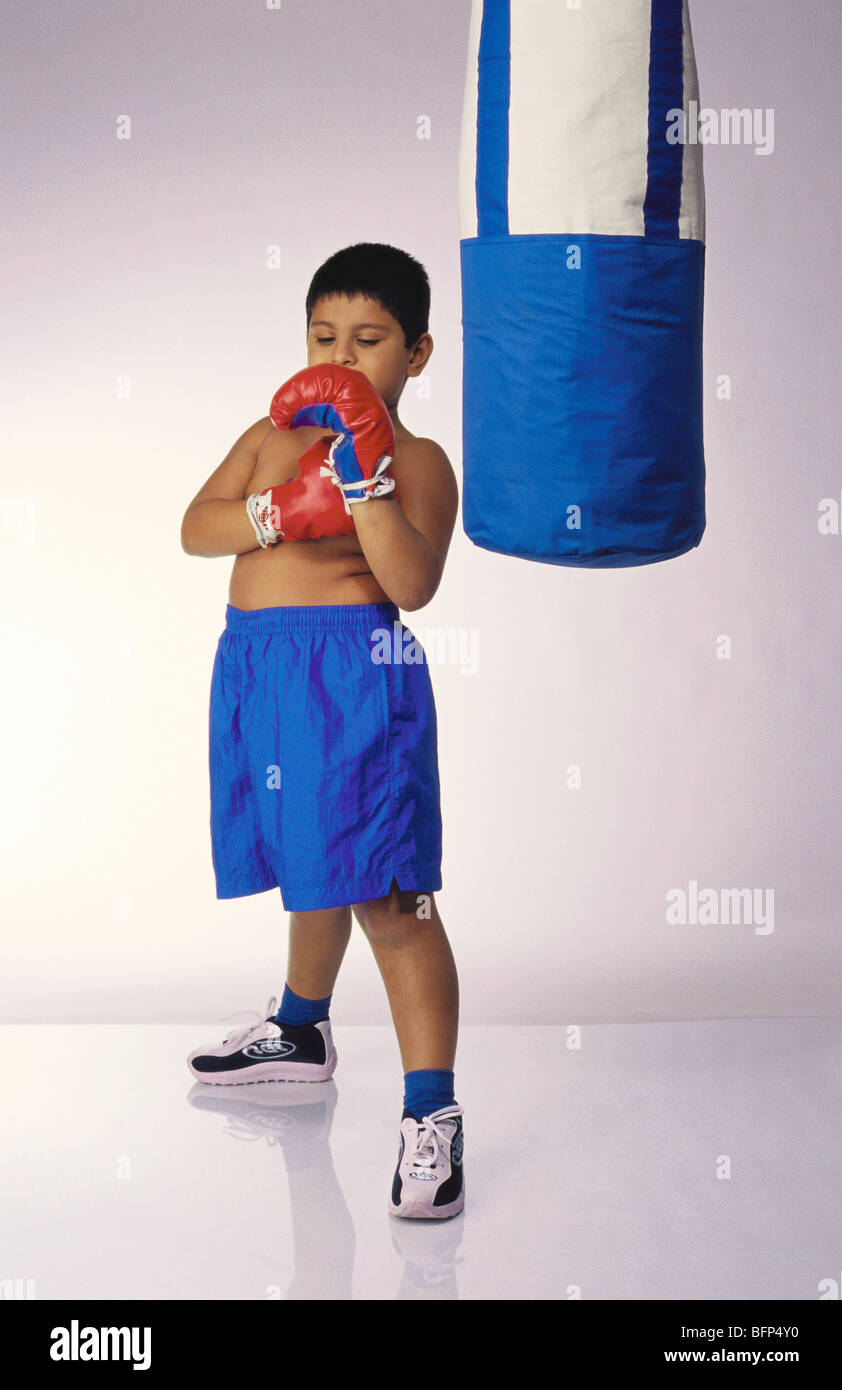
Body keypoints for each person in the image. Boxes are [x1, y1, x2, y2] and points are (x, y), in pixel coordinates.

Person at [180, 243, 464, 1220]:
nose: (342, 356)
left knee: (390, 895)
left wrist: (364, 483)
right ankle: (301, 1030)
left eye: (370, 340)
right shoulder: (268, 435)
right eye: (323, 335)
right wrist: (276, 508)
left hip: (354, 679)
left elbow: (413, 586)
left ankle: (432, 1111)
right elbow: (194, 525)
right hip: (259, 671)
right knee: (313, 859)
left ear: (416, 354)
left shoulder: (418, 459)